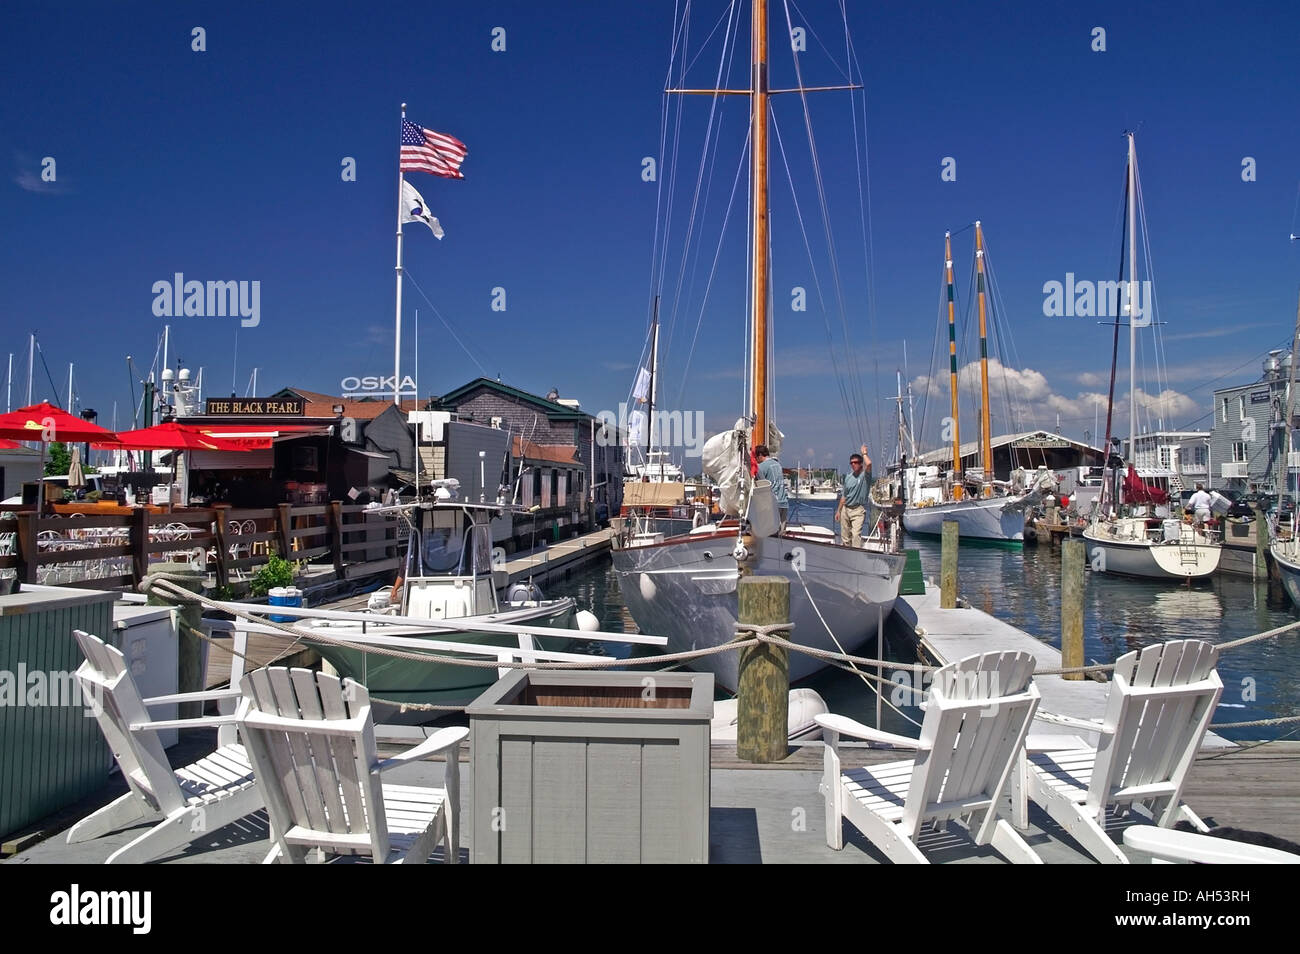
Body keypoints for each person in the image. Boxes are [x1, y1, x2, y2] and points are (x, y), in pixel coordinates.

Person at [836, 444, 872, 547]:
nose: (853, 464)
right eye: (851, 463)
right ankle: (847, 554)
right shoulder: (848, 477)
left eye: (856, 462)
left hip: (858, 510)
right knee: (845, 537)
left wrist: (864, 454)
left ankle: (856, 554)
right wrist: (838, 510)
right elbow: (844, 496)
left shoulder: (865, 476)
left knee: (856, 535)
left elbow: (869, 464)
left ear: (861, 463)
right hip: (845, 509)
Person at [754, 444, 788, 530]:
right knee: (781, 534)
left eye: (756, 457)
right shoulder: (778, 465)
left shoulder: (761, 467)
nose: (755, 460)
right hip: (784, 503)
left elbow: (758, 486)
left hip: (772, 504)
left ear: (760, 455)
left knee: (769, 533)